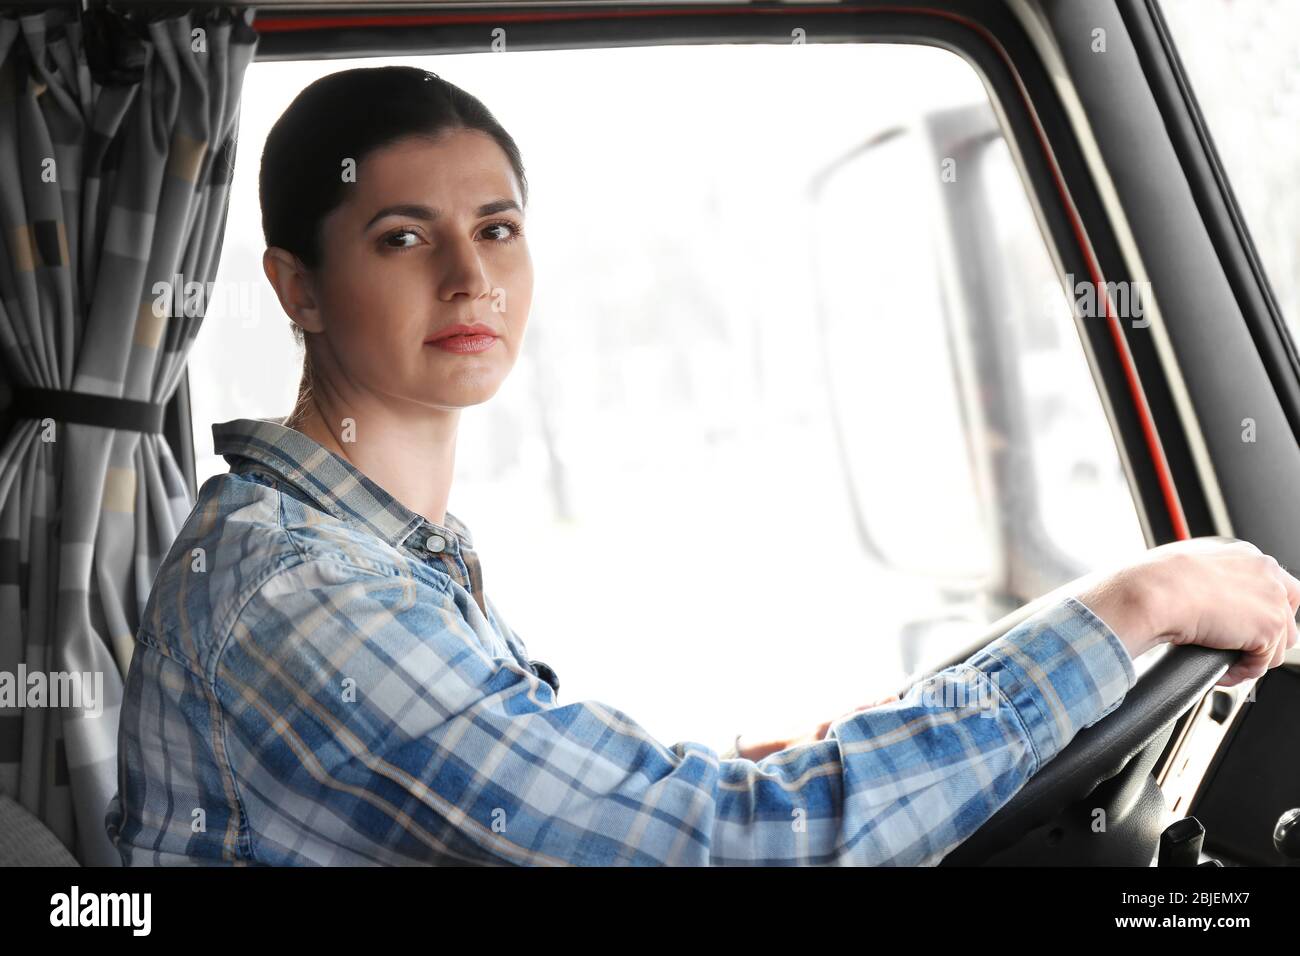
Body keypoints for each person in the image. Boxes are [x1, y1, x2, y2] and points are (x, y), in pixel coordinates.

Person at [105, 66, 1299, 866]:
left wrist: (779, 764)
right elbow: (728, 850)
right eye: (404, 236)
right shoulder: (306, 595)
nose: (470, 277)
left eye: (498, 228)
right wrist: (1130, 604)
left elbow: (587, 796)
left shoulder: (372, 548)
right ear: (297, 286)